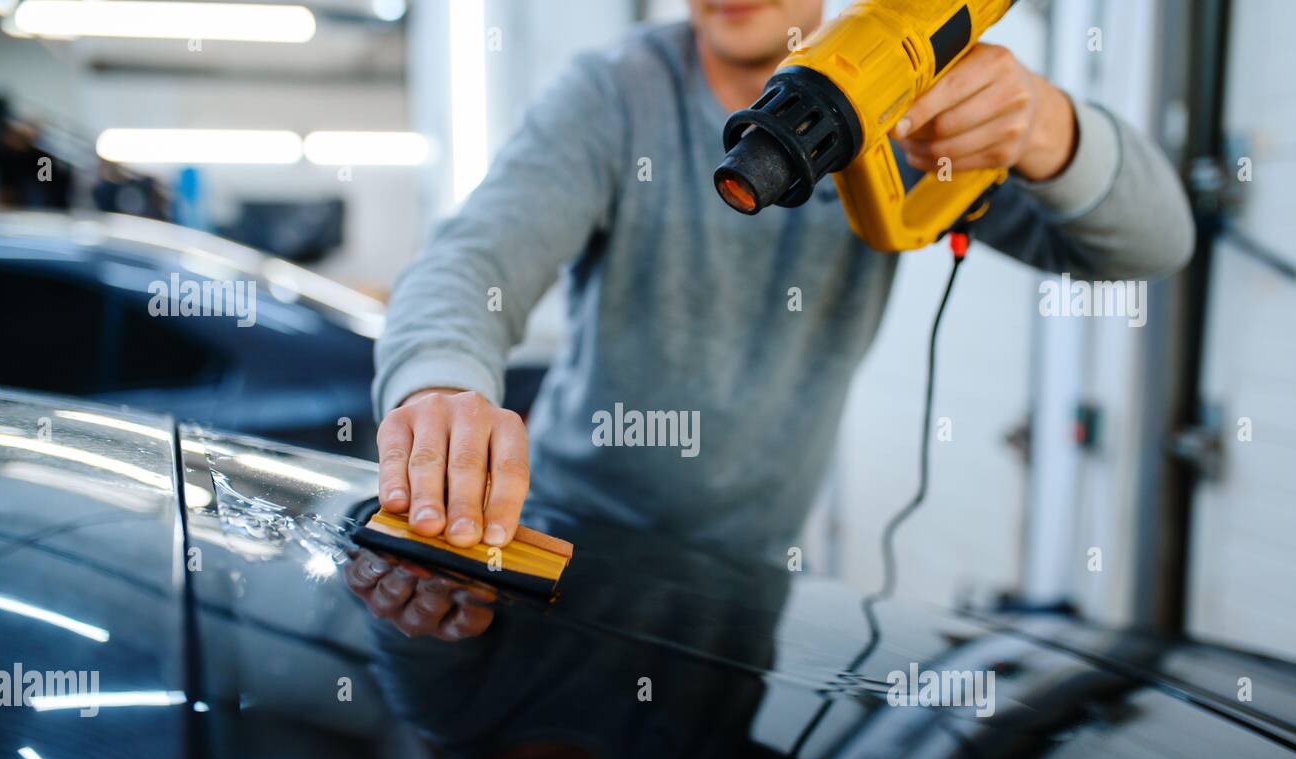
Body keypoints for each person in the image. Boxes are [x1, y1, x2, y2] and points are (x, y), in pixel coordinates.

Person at [373, 0, 1194, 562]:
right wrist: (439, 386)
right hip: (555, 536)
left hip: (748, 592)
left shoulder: (904, 103)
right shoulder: (615, 95)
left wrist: (1051, 128)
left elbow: (1157, 244)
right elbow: (472, 261)